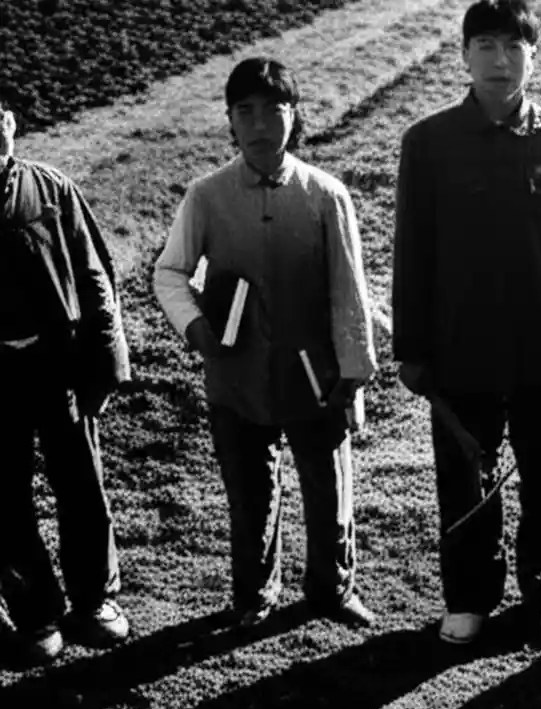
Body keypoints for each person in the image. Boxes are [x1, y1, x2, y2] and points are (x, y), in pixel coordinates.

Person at [392, 0, 541, 645]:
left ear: (533, 57)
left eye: (514, 47)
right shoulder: (428, 142)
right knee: (465, 476)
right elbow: (412, 251)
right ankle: (469, 596)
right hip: (460, 348)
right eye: (485, 45)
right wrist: (413, 347)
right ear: (463, 55)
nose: (499, 60)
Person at [153, 57, 377, 630]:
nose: (258, 125)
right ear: (229, 119)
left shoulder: (325, 195)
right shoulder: (206, 196)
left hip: (315, 376)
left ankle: (332, 588)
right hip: (237, 378)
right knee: (250, 495)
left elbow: (348, 291)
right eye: (244, 111)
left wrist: (352, 373)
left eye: (272, 110)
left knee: (328, 489)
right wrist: (196, 328)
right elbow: (170, 272)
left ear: (293, 116)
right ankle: (254, 593)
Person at [0, 97, 132, 663]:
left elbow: (95, 276)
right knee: (5, 498)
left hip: (60, 368)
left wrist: (107, 358)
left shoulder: (52, 190)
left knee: (81, 484)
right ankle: (35, 613)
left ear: (9, 124)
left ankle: (94, 600)